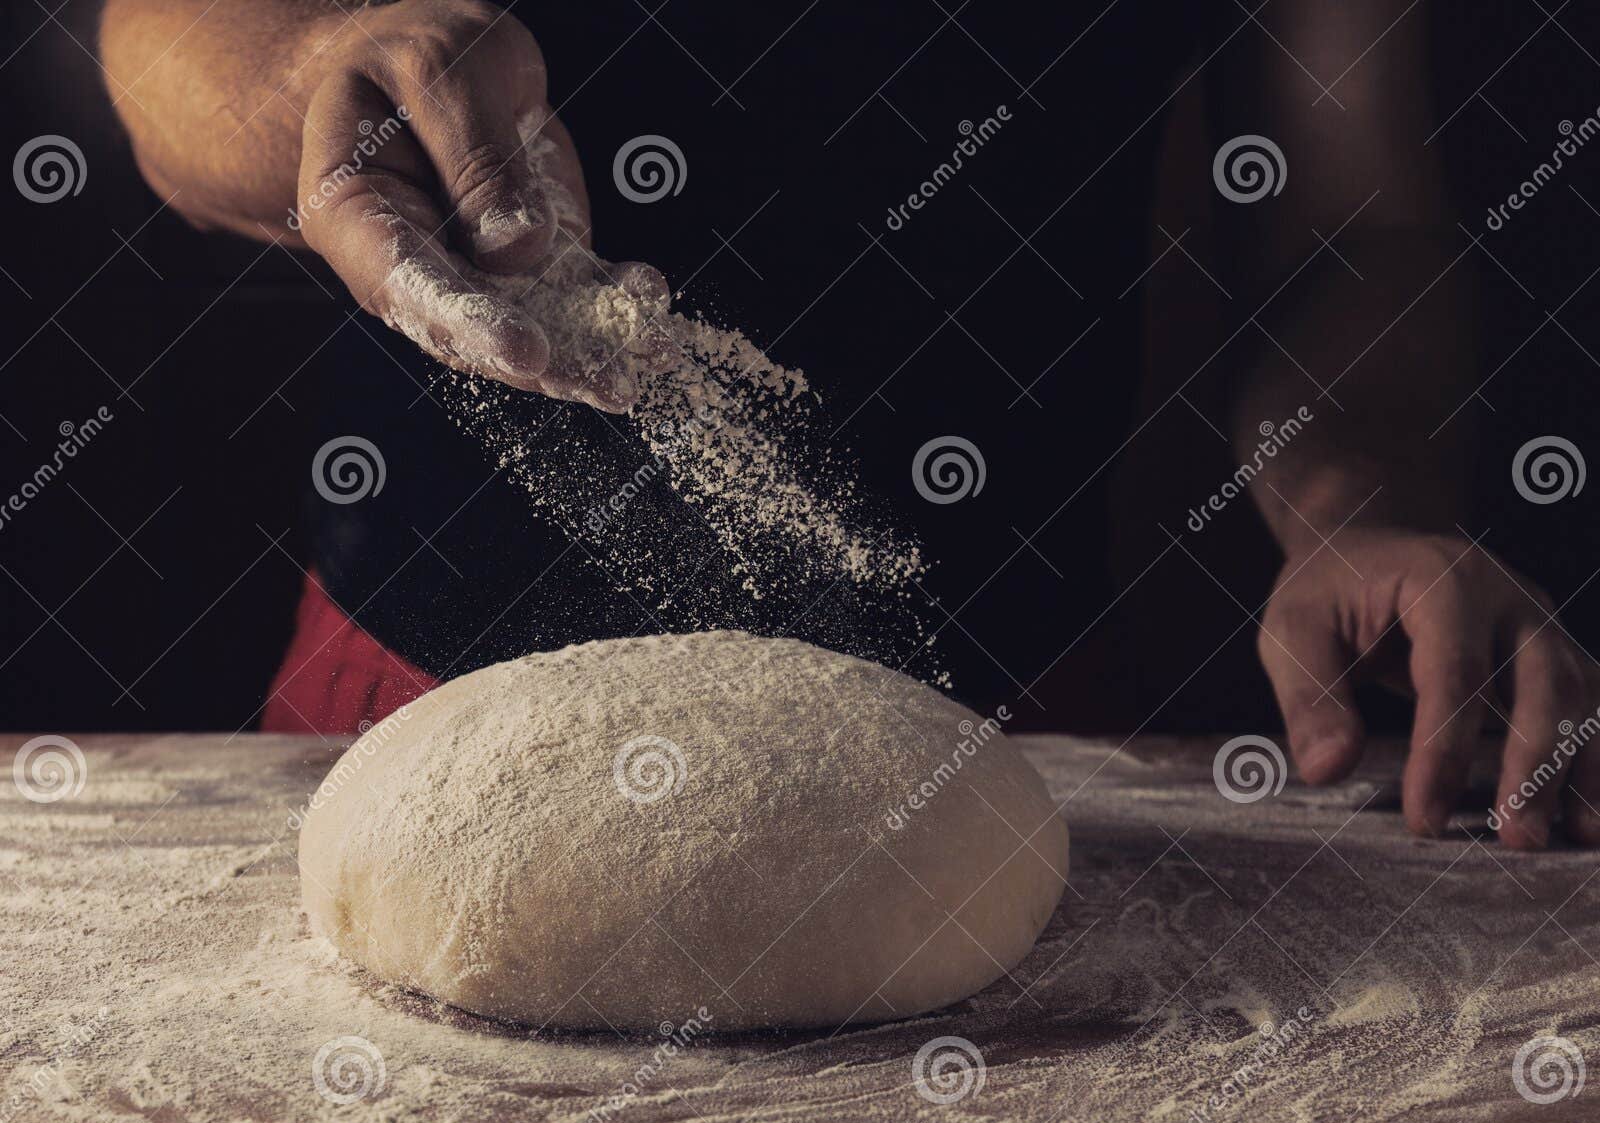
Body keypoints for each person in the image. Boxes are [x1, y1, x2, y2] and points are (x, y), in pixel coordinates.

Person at [95, 0, 1600, 849]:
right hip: (419, 712)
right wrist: (310, 79)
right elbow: (164, 46)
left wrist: (1350, 507)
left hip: (982, 748)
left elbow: (1353, 222)